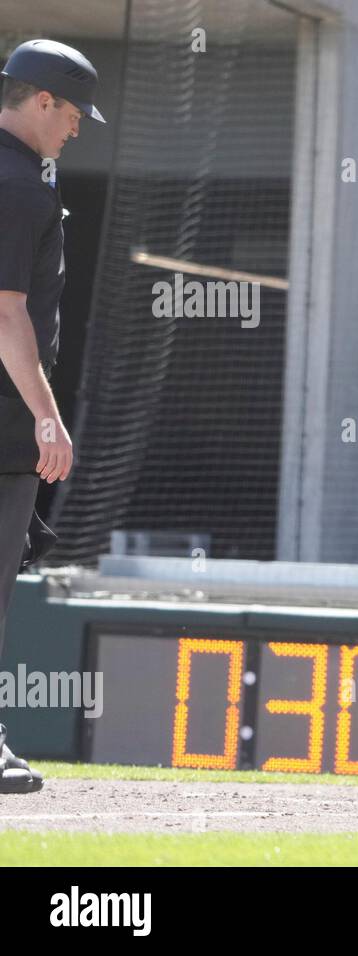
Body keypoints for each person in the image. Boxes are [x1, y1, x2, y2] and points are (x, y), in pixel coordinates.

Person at [0, 39, 106, 795]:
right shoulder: (18, 187)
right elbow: (6, 317)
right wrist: (46, 417)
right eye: (71, 114)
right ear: (41, 101)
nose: (75, 128)